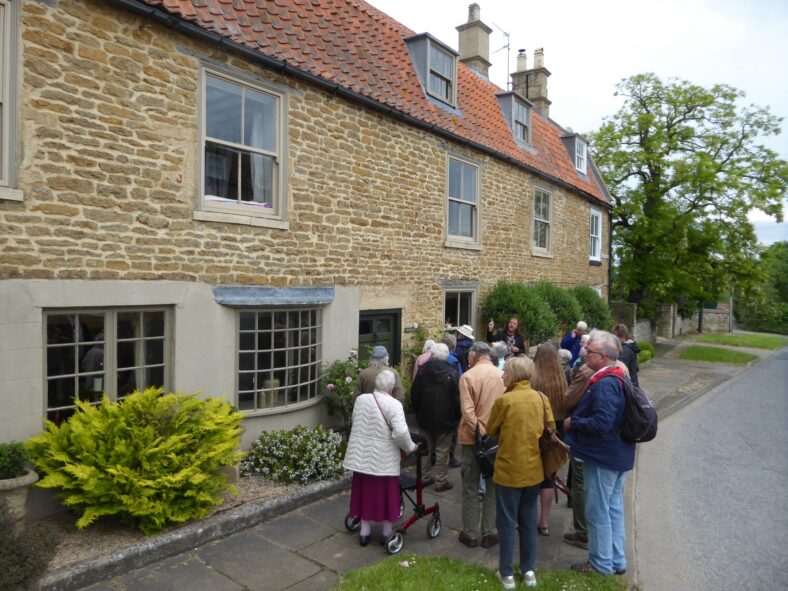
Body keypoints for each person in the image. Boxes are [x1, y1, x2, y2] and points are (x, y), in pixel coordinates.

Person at [564, 331, 636, 576]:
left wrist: (574, 423)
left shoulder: (605, 384)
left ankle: (600, 563)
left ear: (603, 357)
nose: (585, 353)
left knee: (598, 511)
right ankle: (617, 560)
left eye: (590, 351)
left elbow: (602, 422)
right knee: (613, 507)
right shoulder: (619, 377)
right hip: (618, 455)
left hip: (604, 457)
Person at [487, 356, 553, 589]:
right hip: (534, 471)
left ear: (513, 375)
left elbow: (490, 429)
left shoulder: (504, 401)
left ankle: (506, 574)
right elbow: (550, 428)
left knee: (506, 524)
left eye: (505, 372)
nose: (503, 375)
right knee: (528, 522)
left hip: (508, 471)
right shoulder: (541, 398)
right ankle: (529, 572)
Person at [343, 369, 418, 546]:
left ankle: (364, 531)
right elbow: (400, 432)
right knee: (386, 494)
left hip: (362, 456)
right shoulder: (394, 405)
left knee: (364, 492)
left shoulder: (361, 400)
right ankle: (386, 532)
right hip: (384, 458)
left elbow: (357, 421)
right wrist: (411, 447)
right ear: (392, 387)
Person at [457, 342, 505, 549]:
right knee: (493, 485)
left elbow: (468, 413)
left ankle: (470, 534)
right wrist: (492, 433)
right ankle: (490, 532)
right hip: (497, 439)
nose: (468, 358)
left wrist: (481, 434)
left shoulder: (467, 377)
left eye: (469, 355)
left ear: (475, 355)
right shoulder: (502, 375)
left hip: (472, 439)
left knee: (470, 486)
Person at [411, 343, 460, 492]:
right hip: (445, 418)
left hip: (425, 416)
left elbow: (415, 394)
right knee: (442, 450)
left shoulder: (422, 370)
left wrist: (418, 412)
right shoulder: (452, 373)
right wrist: (457, 416)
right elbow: (457, 398)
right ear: (446, 356)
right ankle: (440, 480)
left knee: (426, 448)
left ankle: (424, 477)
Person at [531, 341, 568, 537]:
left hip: (537, 430)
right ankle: (543, 522)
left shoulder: (533, 379)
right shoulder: (562, 377)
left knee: (530, 476)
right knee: (548, 477)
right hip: (556, 432)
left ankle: (527, 519)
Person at [440, 332, 463, 469]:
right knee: (451, 432)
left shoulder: (432, 357)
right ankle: (451, 457)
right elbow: (458, 381)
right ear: (453, 347)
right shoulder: (453, 361)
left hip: (436, 400)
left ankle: (435, 458)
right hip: (450, 400)